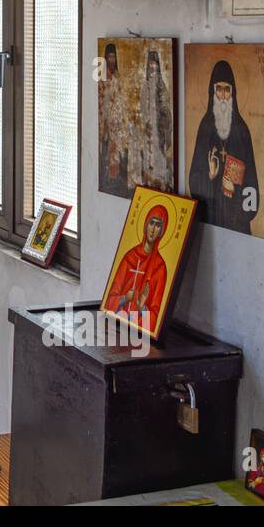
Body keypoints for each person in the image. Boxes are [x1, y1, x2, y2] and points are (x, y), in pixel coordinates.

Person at [187, 60, 259, 233]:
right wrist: (210, 175)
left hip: (236, 223)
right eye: (219, 89)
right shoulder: (205, 127)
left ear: (233, 93)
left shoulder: (242, 131)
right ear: (212, 92)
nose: (223, 95)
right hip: (212, 217)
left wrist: (235, 190)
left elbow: (252, 184)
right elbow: (194, 179)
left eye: (227, 90)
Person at [105, 204, 170, 332]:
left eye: (158, 225)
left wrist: (142, 307)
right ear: (146, 225)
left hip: (138, 329)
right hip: (117, 323)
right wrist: (125, 299)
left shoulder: (160, 267)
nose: (153, 229)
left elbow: (155, 316)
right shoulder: (129, 257)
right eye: (151, 223)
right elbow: (110, 299)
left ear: (162, 231)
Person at [139, 50, 173, 189]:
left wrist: (163, 118)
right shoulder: (145, 86)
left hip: (159, 126)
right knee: (149, 154)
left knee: (160, 153)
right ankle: (150, 181)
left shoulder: (162, 85)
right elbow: (142, 107)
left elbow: (166, 105)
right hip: (149, 126)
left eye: (155, 64)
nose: (153, 67)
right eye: (150, 64)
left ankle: (161, 180)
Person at [99, 43, 130, 195]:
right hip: (105, 120)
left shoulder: (117, 76)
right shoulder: (102, 76)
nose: (111, 59)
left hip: (116, 120)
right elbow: (100, 99)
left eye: (113, 57)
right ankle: (106, 179)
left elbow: (121, 99)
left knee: (115, 151)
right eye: (109, 56)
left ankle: (114, 178)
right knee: (106, 151)